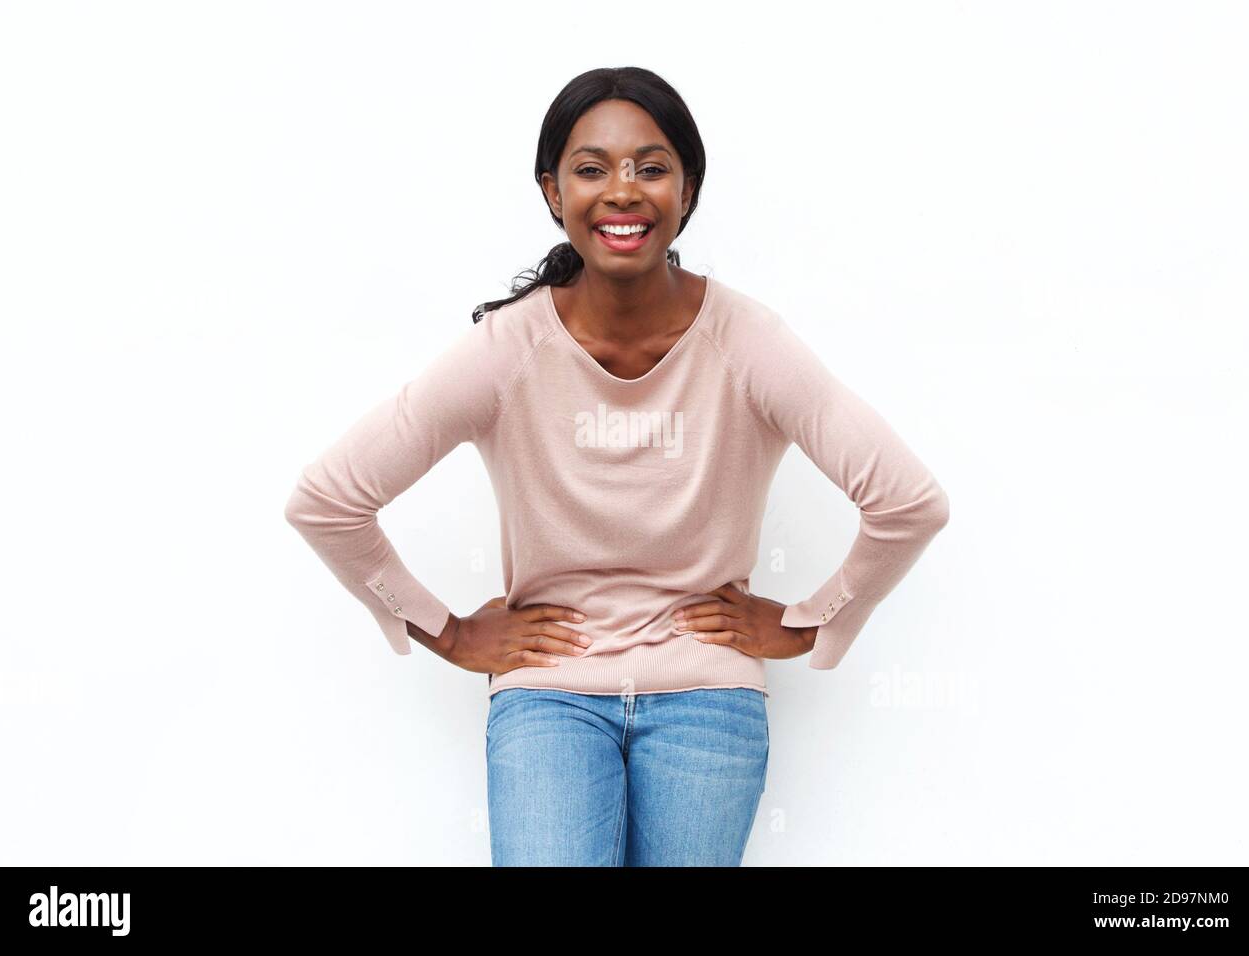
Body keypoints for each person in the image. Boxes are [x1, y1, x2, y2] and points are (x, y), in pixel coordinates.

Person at [283, 66, 950, 866]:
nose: (622, 191)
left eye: (652, 167)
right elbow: (326, 501)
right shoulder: (507, 352)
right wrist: (449, 632)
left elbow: (909, 502)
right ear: (552, 193)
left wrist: (814, 619)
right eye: (591, 168)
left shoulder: (748, 343)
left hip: (707, 695)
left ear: (688, 191)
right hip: (548, 694)